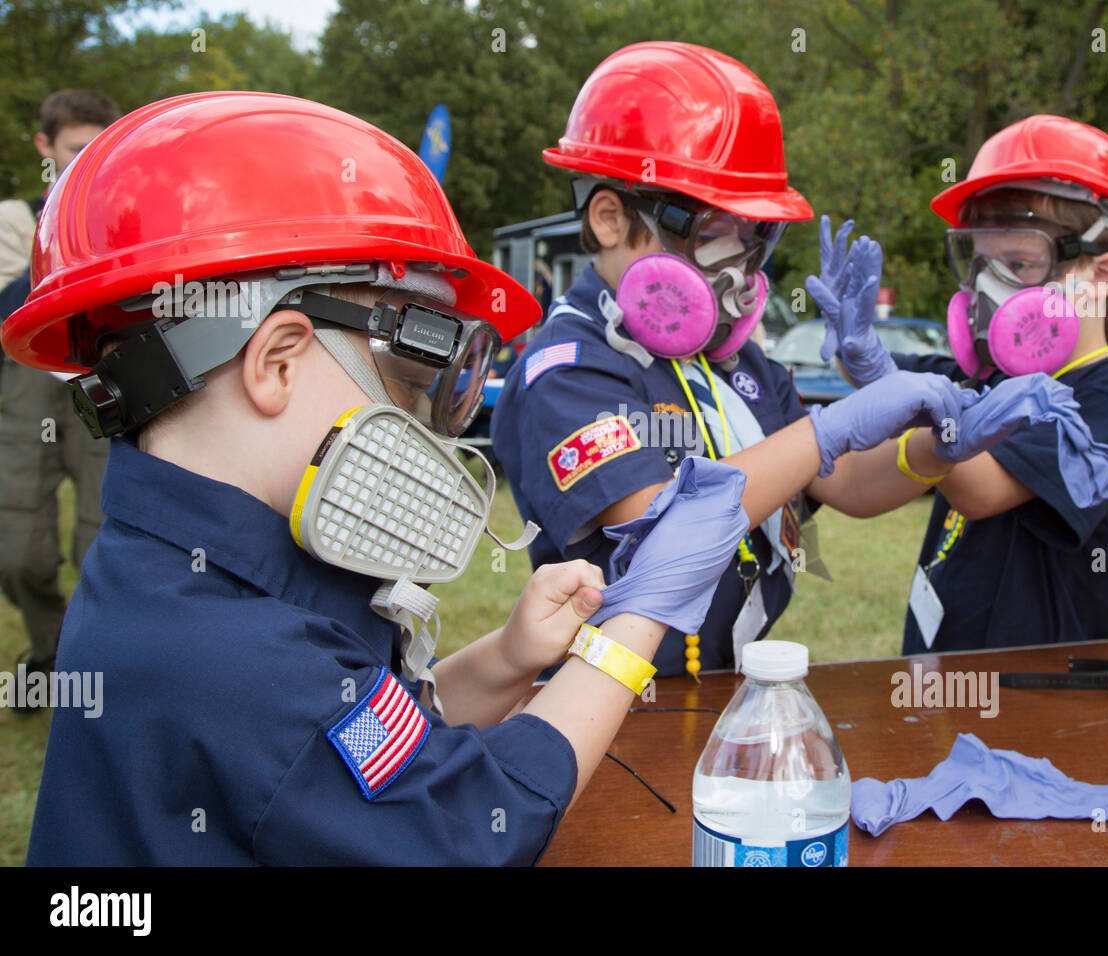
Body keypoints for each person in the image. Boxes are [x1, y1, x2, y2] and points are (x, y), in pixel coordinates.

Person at [7, 91, 752, 865]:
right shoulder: (226, 655)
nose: (419, 417)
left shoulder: (186, 572)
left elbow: (364, 750)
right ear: (278, 362)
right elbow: (469, 830)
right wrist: (637, 623)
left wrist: (504, 658)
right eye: (407, 370)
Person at [491, 42, 1040, 677]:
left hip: (724, 681)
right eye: (711, 232)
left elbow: (847, 482)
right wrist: (827, 428)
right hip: (612, 701)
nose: (740, 265)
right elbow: (656, 527)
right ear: (611, 218)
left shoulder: (734, 362)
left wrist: (941, 447)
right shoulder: (568, 365)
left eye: (753, 237)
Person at [816, 115, 1108, 653]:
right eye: (979, 262)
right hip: (947, 672)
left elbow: (980, 489)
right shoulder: (988, 376)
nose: (987, 286)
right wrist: (856, 346)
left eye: (1019, 263)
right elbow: (892, 374)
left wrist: (890, 387)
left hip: (1042, 702)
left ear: (1101, 275)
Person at [0, 89, 120, 707]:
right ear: (46, 148)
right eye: (75, 152)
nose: (85, 165)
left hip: (96, 382)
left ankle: (86, 661)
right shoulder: (12, 222)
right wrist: (58, 227)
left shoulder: (119, 214)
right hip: (26, 389)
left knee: (104, 539)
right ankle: (48, 647)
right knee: (19, 550)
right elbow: (9, 310)